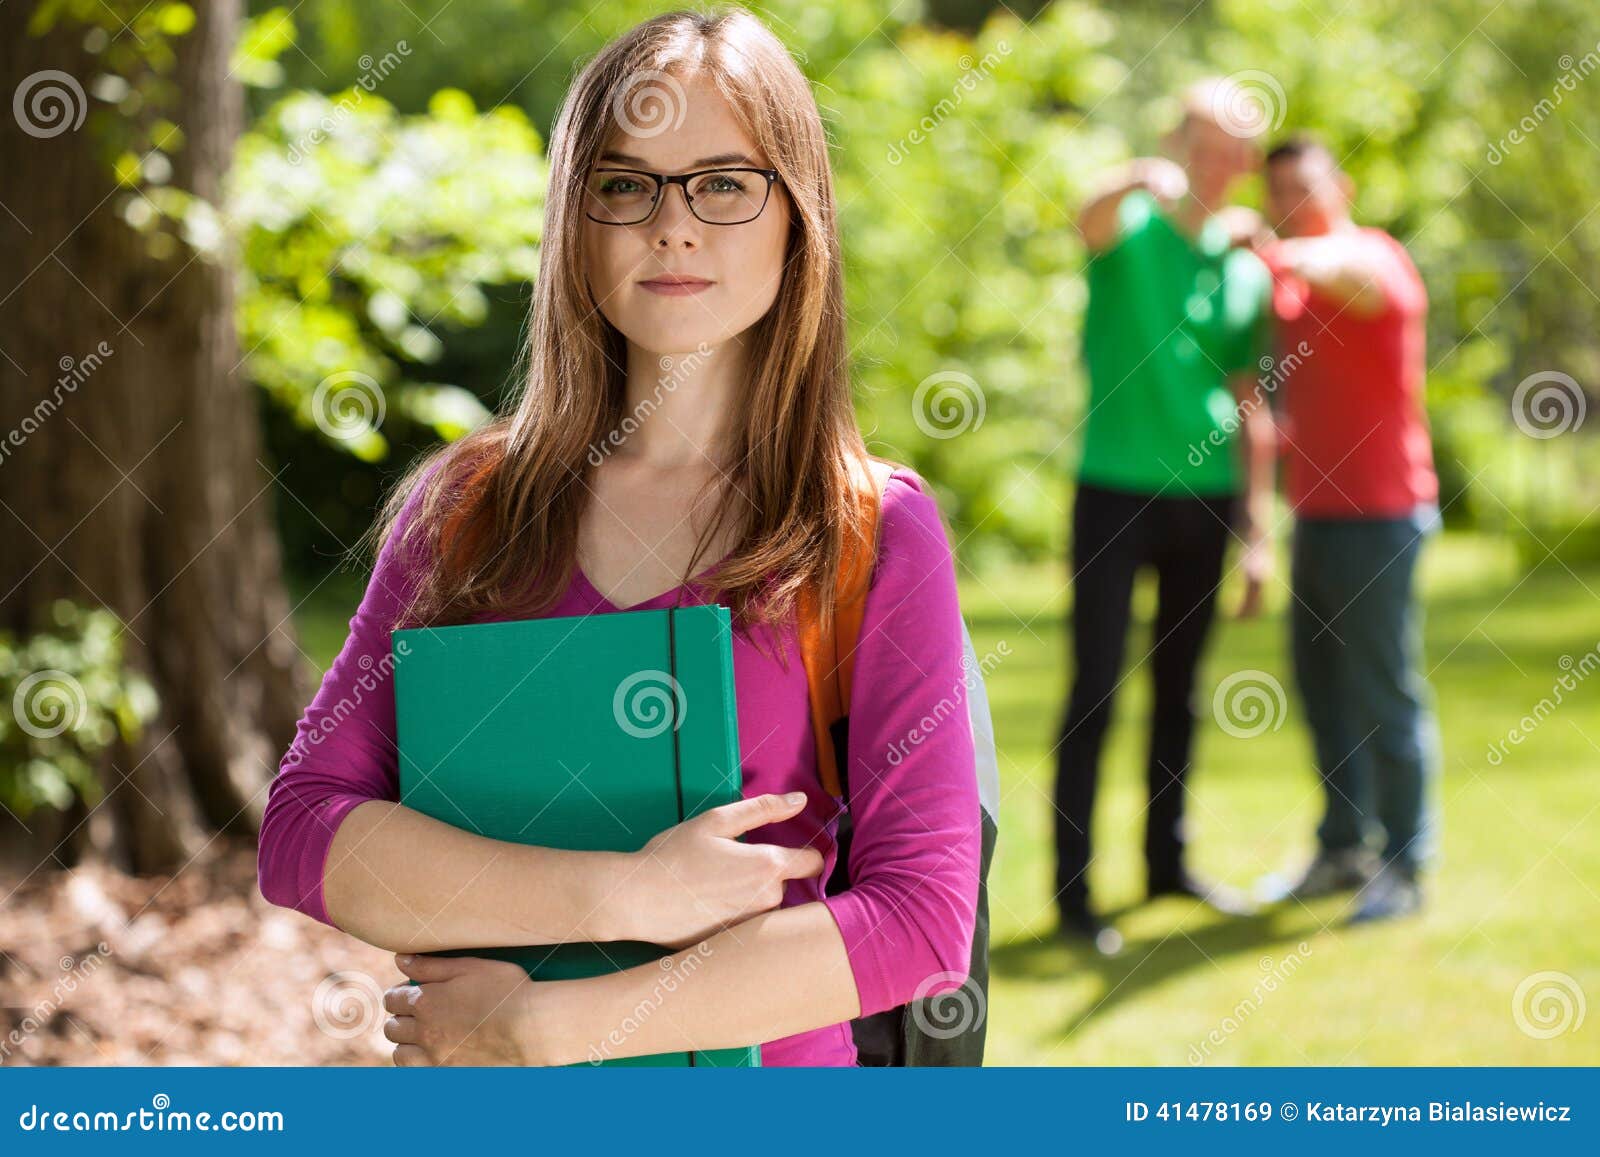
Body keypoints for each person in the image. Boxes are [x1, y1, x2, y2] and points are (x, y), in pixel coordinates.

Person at [256, 8, 980, 1066]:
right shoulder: (466, 510)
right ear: (574, 220)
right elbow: (304, 832)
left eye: (724, 183)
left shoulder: (866, 529)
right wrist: (629, 890)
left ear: (798, 218)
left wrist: (551, 1027)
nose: (671, 225)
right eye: (624, 184)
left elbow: (920, 922)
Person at [1054, 79, 1276, 953]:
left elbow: (1247, 395)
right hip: (1114, 488)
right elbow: (1087, 215)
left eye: (1240, 155)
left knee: (1179, 689)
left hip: (1209, 496)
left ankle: (1166, 863)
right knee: (1094, 687)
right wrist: (1136, 174)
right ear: (1180, 141)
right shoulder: (1133, 228)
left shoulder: (1244, 260)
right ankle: (1074, 893)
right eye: (1210, 146)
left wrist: (1258, 532)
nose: (1225, 167)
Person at [1254, 134, 1441, 922]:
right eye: (1279, 191)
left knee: (1382, 689)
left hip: (1383, 515)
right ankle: (1343, 847)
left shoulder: (1375, 256)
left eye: (1305, 186)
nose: (1291, 201)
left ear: (1343, 186)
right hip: (1316, 517)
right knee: (1323, 689)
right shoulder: (1289, 287)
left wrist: (1278, 250)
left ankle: (1404, 861)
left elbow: (1357, 281)